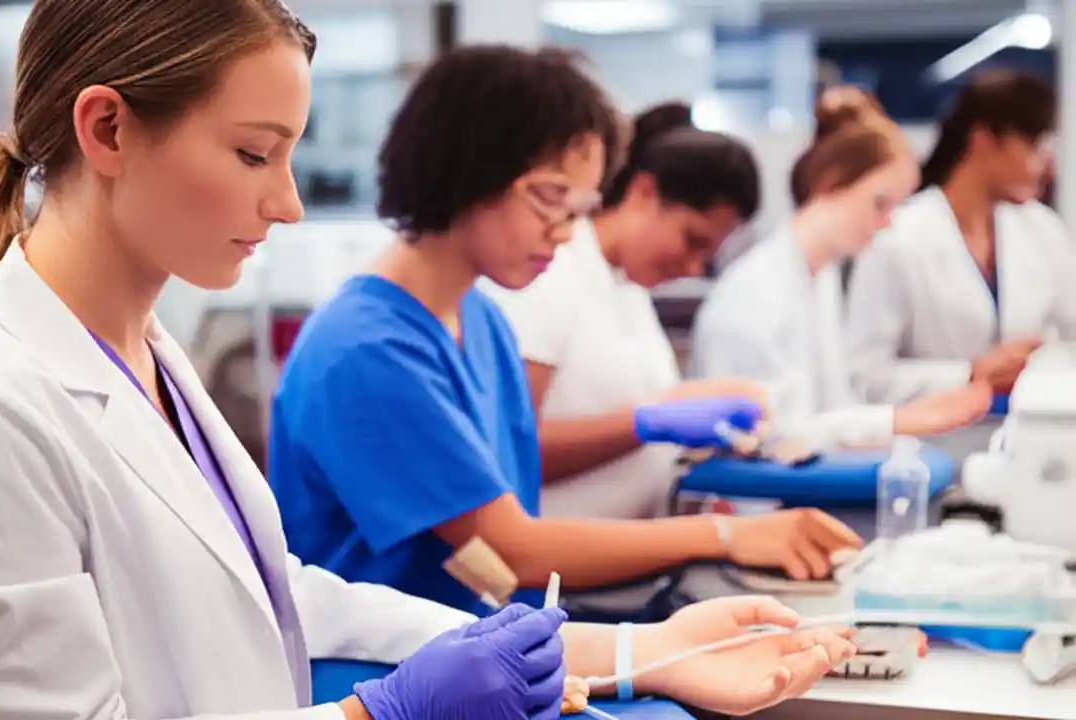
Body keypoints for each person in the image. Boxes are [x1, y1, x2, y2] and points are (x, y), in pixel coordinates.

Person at [0, 3, 854, 718]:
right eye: (252, 155)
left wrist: (639, 652)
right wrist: (383, 714)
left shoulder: (139, 353)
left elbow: (282, 595)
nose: (285, 203)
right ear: (106, 127)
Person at [268, 45, 864, 633]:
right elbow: (509, 549)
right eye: (551, 199)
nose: (564, 232)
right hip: (380, 678)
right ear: (465, 168)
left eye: (579, 208)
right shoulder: (368, 349)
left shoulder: (482, 323)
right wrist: (728, 536)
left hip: (475, 645)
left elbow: (492, 566)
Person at [489, 101, 771, 521]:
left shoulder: (626, 286)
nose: (693, 268)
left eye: (708, 256)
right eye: (693, 240)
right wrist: (645, 422)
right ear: (643, 192)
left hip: (630, 567)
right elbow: (507, 455)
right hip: (561, 577)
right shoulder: (550, 273)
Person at [690, 96, 992, 452]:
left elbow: (831, 405)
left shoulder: (819, 278)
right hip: (753, 496)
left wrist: (899, 417)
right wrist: (895, 421)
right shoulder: (757, 291)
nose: (888, 222)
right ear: (830, 184)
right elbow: (769, 436)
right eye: (880, 203)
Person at [847, 70, 1076, 405]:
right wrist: (969, 374)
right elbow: (865, 377)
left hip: (1028, 438)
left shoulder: (1043, 230)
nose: (1046, 163)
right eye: (1033, 144)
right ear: (982, 140)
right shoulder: (897, 238)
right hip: (930, 446)